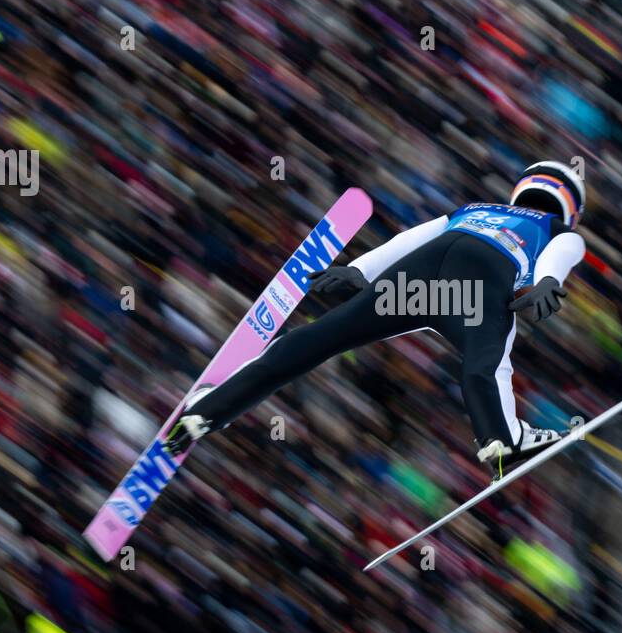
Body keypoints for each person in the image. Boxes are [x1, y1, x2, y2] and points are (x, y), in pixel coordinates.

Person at [163, 161, 589, 478]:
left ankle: (208, 408)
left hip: (423, 274)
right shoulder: (556, 228)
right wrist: (548, 281)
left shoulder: (475, 207)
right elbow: (564, 252)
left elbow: (414, 237)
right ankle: (501, 440)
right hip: (477, 284)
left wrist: (359, 271)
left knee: (323, 336)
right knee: (485, 361)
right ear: (570, 207)